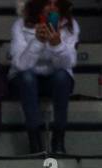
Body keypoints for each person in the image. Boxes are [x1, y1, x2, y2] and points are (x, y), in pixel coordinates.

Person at [9, 0, 79, 154]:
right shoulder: (20, 25)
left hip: (53, 79)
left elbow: (69, 63)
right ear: (38, 5)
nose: (52, 7)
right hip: (24, 79)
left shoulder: (70, 25)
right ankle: (35, 142)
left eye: (56, 3)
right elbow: (20, 65)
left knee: (62, 76)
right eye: (48, 3)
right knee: (27, 77)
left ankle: (58, 139)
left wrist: (57, 45)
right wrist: (38, 42)